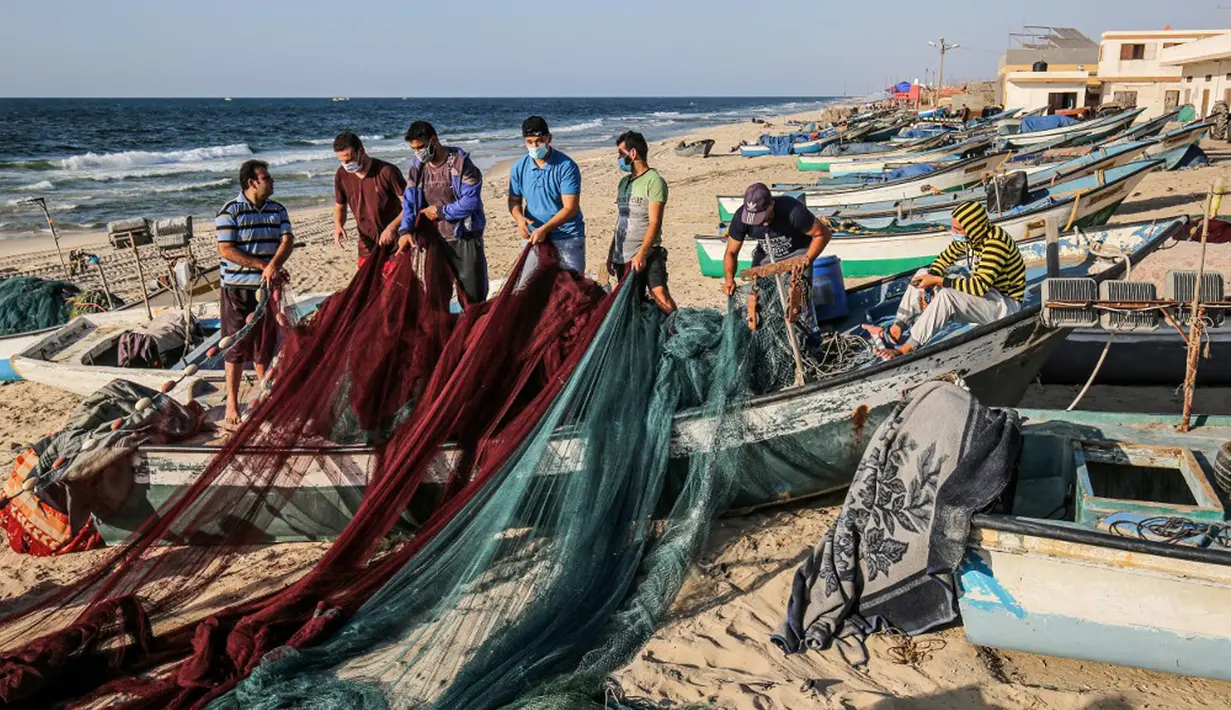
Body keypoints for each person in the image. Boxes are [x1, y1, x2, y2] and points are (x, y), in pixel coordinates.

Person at [864, 201, 1025, 360]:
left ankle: (907, 348)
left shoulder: (995, 244)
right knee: (922, 273)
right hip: (988, 292)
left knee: (947, 296)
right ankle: (896, 329)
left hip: (1005, 304)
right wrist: (929, 282)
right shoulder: (973, 238)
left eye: (957, 229)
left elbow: (979, 287)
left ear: (972, 228)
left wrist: (938, 281)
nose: (953, 231)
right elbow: (945, 258)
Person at [215, 159, 295, 426]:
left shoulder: (277, 209)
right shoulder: (230, 212)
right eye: (266, 177)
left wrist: (273, 266)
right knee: (235, 346)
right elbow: (226, 250)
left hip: (266, 288)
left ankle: (265, 395)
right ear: (252, 182)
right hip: (237, 290)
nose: (271, 180)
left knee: (265, 345)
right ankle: (232, 403)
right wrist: (264, 265)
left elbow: (287, 241)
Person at [396, 121, 489, 304]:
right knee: (436, 295)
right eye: (414, 149)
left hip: (464, 237)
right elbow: (410, 202)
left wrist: (442, 212)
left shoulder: (461, 164)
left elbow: (471, 201)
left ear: (434, 140)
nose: (418, 152)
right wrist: (405, 230)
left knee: (472, 295)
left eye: (421, 147)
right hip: (435, 239)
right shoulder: (417, 169)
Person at [508, 115, 586, 277]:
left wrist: (545, 228)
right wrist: (519, 219)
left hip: (566, 236)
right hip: (533, 236)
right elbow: (514, 200)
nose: (534, 146)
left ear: (548, 138)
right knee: (529, 285)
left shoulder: (566, 166)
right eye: (529, 142)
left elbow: (570, 208)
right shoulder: (518, 167)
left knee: (572, 285)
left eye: (539, 141)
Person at [608, 130, 675, 314]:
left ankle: (678, 331)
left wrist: (642, 253)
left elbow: (655, 222)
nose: (619, 158)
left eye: (621, 153)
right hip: (622, 254)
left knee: (659, 294)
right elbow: (621, 220)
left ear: (633, 153)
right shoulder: (624, 183)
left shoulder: (654, 181)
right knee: (631, 303)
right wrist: (611, 253)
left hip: (648, 253)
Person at [332, 132, 407, 267]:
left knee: (395, 286)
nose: (346, 164)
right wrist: (338, 224)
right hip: (366, 245)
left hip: (394, 242)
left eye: (349, 159)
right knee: (368, 286)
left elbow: (409, 204)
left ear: (361, 151)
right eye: (341, 161)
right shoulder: (341, 174)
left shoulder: (387, 172)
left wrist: (392, 227)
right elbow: (340, 205)